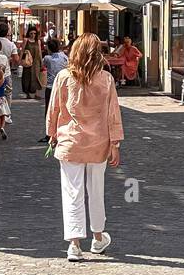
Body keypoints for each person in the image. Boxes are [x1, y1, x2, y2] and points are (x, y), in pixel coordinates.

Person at [46, 32, 123, 262]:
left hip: (71, 142)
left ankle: (74, 244)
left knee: (72, 192)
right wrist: (115, 143)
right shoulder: (106, 79)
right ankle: (98, 238)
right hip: (98, 143)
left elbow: (54, 109)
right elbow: (113, 114)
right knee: (96, 191)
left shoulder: (63, 77)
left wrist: (51, 134)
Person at [39, 35, 70, 142]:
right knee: (62, 109)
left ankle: (49, 134)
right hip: (63, 86)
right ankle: (62, 132)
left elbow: (42, 65)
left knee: (49, 110)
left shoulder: (48, 58)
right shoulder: (64, 56)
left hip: (51, 87)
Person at [19, 24, 42, 99]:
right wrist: (20, 60)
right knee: (27, 77)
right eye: (31, 33)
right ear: (28, 33)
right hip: (27, 61)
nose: (33, 35)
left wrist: (41, 62)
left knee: (36, 77)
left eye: (34, 33)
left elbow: (40, 52)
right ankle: (27, 93)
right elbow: (22, 50)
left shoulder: (38, 41)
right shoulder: (26, 40)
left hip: (36, 62)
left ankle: (36, 93)